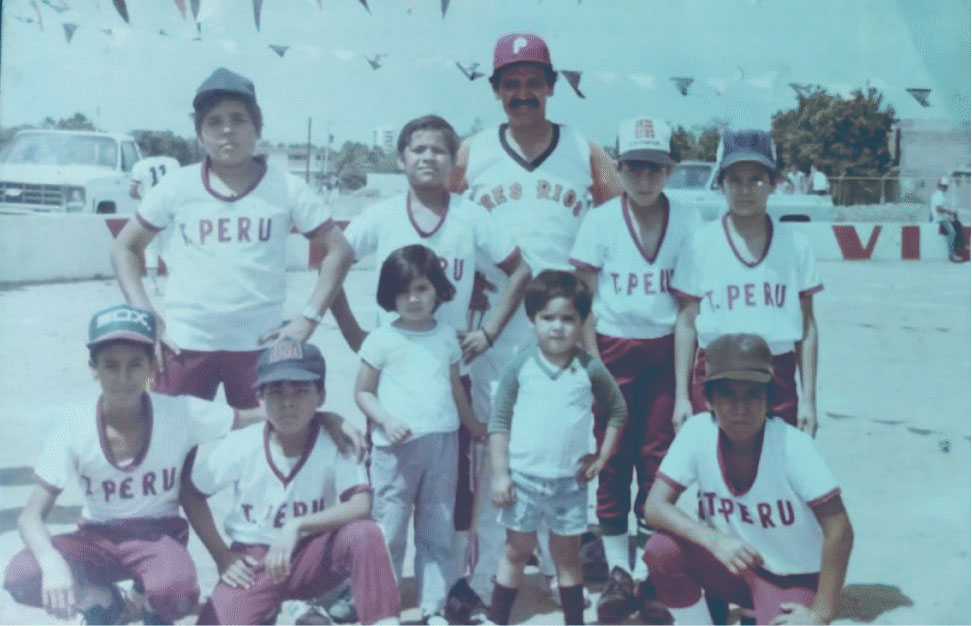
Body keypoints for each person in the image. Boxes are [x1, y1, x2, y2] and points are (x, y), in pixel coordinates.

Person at [449, 31, 624, 600]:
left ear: (552, 86)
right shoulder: (471, 152)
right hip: (495, 323)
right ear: (496, 90)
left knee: (563, 443)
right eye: (511, 84)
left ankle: (557, 567)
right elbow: (447, 223)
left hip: (564, 324)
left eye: (533, 83)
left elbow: (620, 220)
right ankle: (480, 576)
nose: (523, 93)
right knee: (491, 446)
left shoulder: (585, 150)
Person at [111, 67, 353, 410]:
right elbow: (124, 247)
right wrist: (146, 316)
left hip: (261, 347)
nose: (227, 129)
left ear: (257, 128)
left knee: (266, 445)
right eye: (214, 122)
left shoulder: (287, 187)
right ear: (200, 134)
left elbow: (339, 250)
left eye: (239, 119)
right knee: (161, 435)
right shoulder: (177, 185)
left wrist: (308, 319)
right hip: (180, 345)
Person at [2, 305, 251, 625]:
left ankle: (149, 604)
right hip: (97, 538)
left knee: (176, 591)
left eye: (135, 365)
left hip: (156, 537)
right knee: (22, 576)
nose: (123, 379)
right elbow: (29, 517)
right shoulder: (71, 423)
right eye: (111, 366)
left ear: (152, 365)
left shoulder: (179, 413)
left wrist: (317, 417)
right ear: (94, 368)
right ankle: (102, 602)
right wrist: (53, 566)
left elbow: (249, 419)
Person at [569, 116, 701, 623]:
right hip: (614, 352)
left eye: (655, 168)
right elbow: (584, 301)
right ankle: (618, 571)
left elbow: (688, 310)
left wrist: (686, 390)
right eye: (635, 168)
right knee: (612, 459)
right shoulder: (601, 220)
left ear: (668, 171)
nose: (645, 179)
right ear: (619, 169)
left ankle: (648, 575)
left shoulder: (687, 220)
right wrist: (596, 368)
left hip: (665, 353)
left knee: (657, 461)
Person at [641, 333, 853, 625]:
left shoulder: (794, 446)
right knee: (662, 550)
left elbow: (839, 529)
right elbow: (655, 507)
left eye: (753, 394)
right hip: (734, 564)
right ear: (710, 399)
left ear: (769, 400)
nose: (740, 408)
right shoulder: (697, 432)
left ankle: (761, 612)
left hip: (790, 576)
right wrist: (713, 541)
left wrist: (821, 613)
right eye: (728, 394)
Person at [189, 340, 401, 625]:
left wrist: (297, 525)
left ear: (321, 396)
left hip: (313, 555)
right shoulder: (242, 444)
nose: (288, 402)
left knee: (364, 534)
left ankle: (376, 619)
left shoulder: (338, 440)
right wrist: (221, 554)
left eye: (301, 391)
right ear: (260, 398)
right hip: (255, 559)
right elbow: (192, 492)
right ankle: (288, 609)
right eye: (276, 392)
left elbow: (361, 505)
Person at [487, 271, 627, 625]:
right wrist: (501, 474)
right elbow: (499, 421)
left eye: (568, 319)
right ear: (532, 319)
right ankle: (497, 618)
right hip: (524, 480)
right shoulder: (521, 366)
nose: (558, 327)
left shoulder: (589, 368)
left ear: (582, 322)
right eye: (547, 318)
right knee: (516, 552)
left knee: (567, 559)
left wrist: (602, 455)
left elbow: (618, 410)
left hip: (569, 482)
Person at [354, 245, 485, 622]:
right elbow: (362, 391)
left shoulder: (446, 337)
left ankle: (433, 606)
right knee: (389, 530)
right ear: (389, 295)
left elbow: (456, 388)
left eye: (422, 289)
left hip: (442, 444)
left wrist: (472, 425)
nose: (413, 299)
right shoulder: (381, 339)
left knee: (436, 529)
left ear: (439, 291)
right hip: (394, 450)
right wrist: (385, 419)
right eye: (403, 291)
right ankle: (383, 605)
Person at [671, 129, 822, 435]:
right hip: (716, 372)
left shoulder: (796, 245)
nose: (745, 189)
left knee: (775, 471)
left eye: (756, 179)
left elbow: (806, 328)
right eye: (735, 179)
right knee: (715, 472)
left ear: (773, 183)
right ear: (721, 183)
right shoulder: (700, 243)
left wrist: (808, 399)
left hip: (775, 374)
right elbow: (686, 324)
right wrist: (682, 396)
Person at [130, 137, 180, 201]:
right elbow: (180, 185)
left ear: (147, 150)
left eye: (141, 149)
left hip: (150, 205)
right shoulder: (173, 162)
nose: (140, 152)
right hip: (170, 203)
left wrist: (142, 199)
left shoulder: (139, 165)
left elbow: (133, 192)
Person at [929, 176, 965, 262]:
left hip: (941, 217)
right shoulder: (938, 195)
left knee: (957, 224)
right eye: (944, 186)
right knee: (952, 232)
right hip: (939, 218)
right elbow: (938, 209)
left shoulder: (939, 195)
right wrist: (950, 213)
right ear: (940, 186)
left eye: (945, 186)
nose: (945, 188)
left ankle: (958, 248)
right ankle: (951, 255)